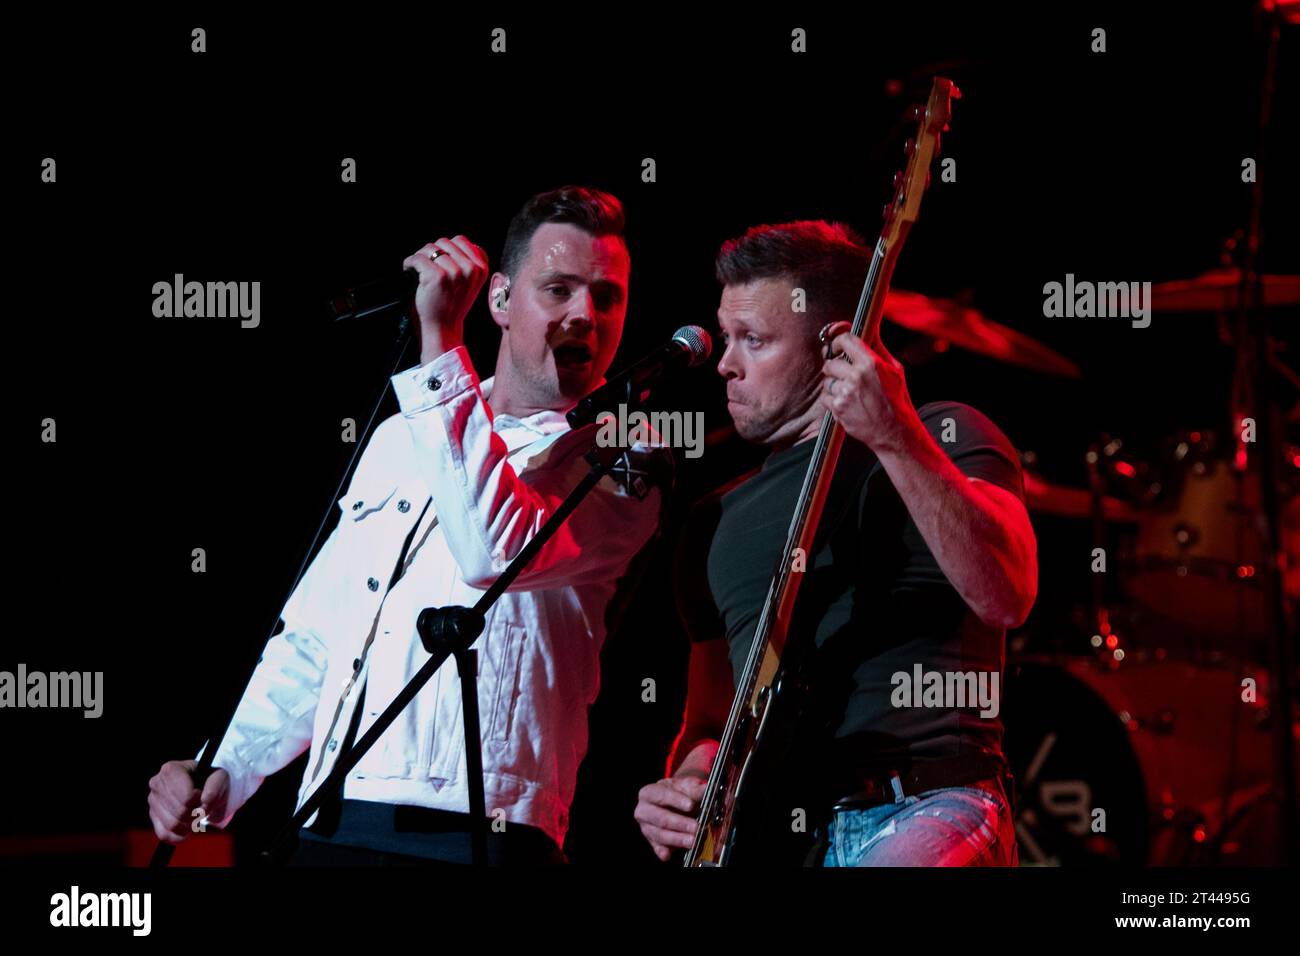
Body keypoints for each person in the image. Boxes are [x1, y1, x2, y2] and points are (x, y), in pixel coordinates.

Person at [149, 185, 668, 865]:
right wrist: (228, 764)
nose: (584, 315)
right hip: (328, 819)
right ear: (502, 300)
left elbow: (493, 550)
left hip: (477, 834)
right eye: (559, 289)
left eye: (606, 297)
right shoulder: (405, 435)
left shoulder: (625, 454)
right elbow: (318, 631)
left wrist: (440, 345)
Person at [635, 220, 1037, 866]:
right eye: (727, 336)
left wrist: (895, 434)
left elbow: (1007, 592)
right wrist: (686, 783)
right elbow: (710, 721)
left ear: (833, 344)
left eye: (753, 341)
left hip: (925, 803)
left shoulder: (947, 436)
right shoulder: (713, 520)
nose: (725, 363)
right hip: (773, 835)